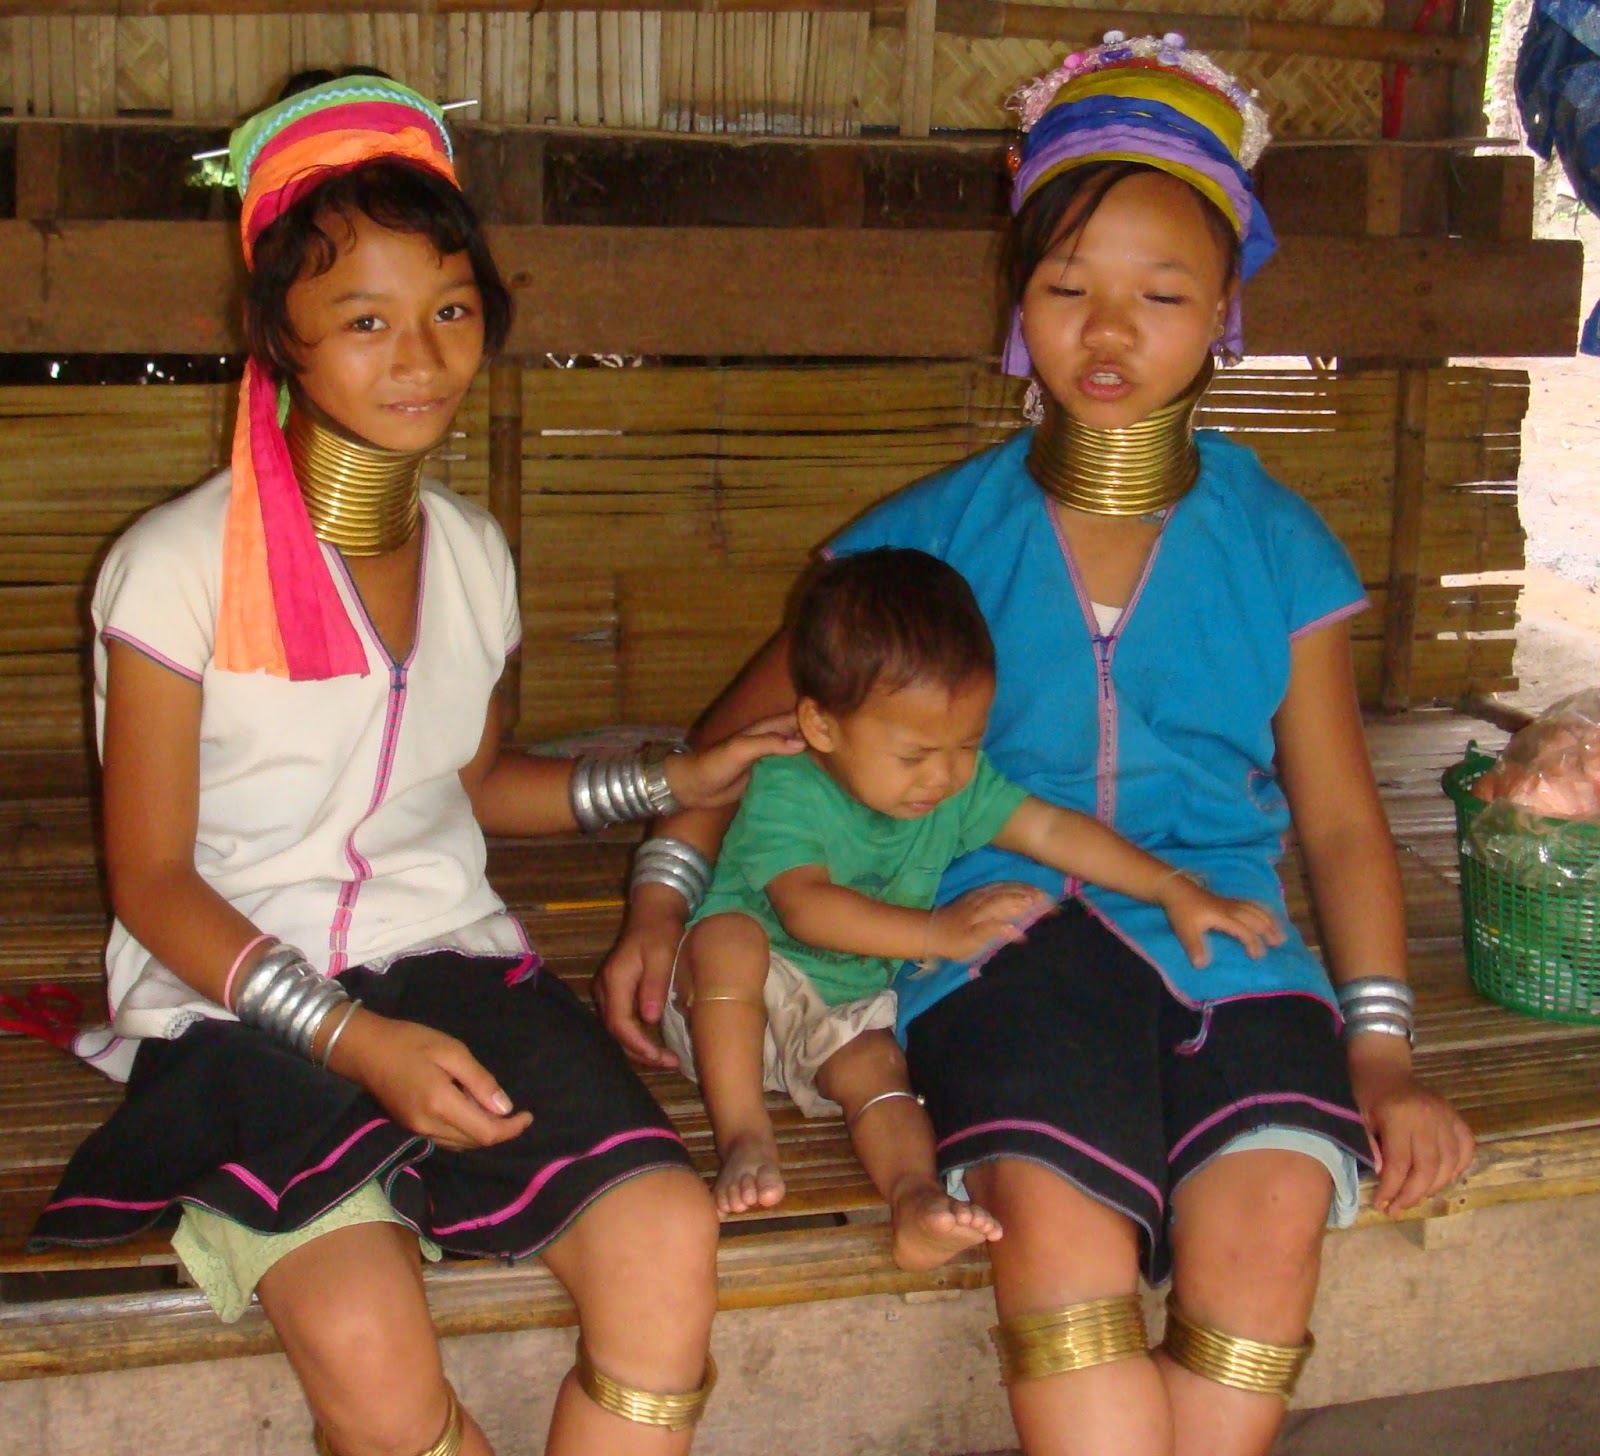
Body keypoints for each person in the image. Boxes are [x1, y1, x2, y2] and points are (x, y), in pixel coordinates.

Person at [597, 33, 1476, 1456]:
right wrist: (662, 894)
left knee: (1269, 1222)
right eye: (1067, 290)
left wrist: (1381, 1049)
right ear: (1021, 303)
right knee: (1054, 1232)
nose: (1109, 335)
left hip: (1234, 947)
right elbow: (746, 736)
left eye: (1160, 295)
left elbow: (1339, 826)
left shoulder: (1279, 549)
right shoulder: (931, 535)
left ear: (1227, 309)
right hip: (990, 946)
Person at [28, 72, 802, 1456]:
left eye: (450, 312)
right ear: (281, 339)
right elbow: (150, 879)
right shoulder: (170, 570)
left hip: (441, 957)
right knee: (374, 1360)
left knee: (667, 1235)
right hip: (235, 1007)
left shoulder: (473, 556)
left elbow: (472, 785)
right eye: (365, 320)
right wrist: (355, 1040)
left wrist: (671, 781)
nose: (421, 357)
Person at [660, 547, 1282, 1275]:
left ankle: (915, 1199)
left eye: (968, 745)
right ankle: (743, 1135)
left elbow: (1049, 829)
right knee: (728, 939)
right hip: (730, 1003)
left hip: (840, 1010)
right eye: (916, 754)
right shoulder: (788, 785)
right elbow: (805, 911)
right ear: (822, 726)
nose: (945, 775)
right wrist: (937, 932)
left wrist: (1173, 887)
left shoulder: (953, 785)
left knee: (882, 1071)